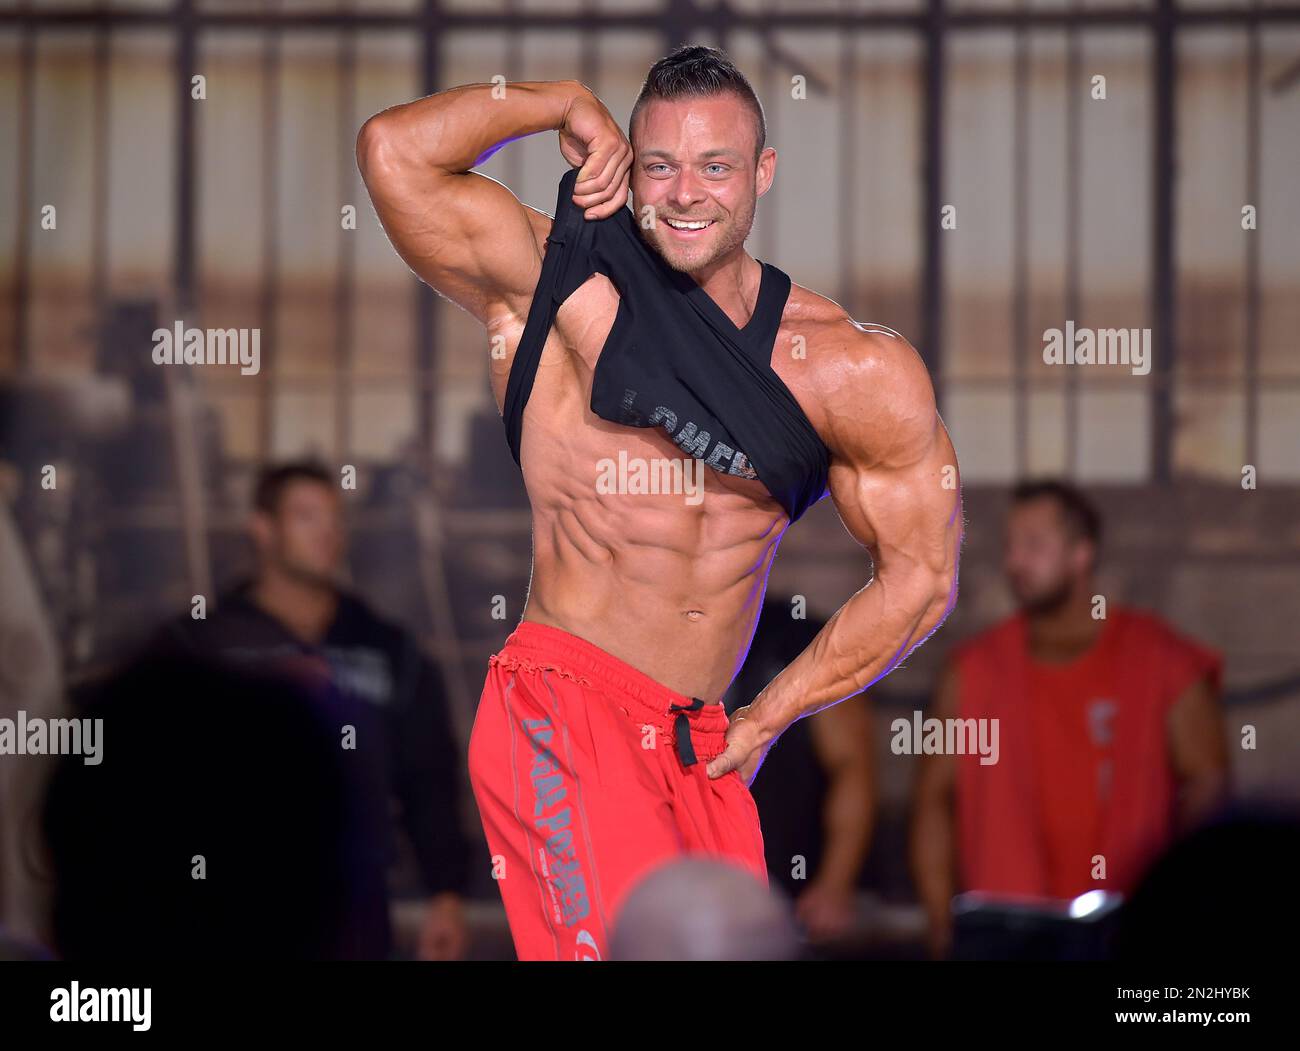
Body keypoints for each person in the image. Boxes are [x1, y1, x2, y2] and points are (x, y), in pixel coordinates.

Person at [358, 45, 961, 961]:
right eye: (661, 165)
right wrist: (556, 101)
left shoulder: (850, 369)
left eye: (715, 166)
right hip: (559, 710)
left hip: (701, 746)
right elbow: (391, 152)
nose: (686, 193)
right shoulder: (550, 279)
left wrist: (769, 713)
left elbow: (922, 577)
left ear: (762, 174)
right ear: (627, 166)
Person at [155, 461, 471, 960]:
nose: (326, 532)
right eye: (306, 517)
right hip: (224, 900)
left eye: (333, 518)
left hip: (353, 905)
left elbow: (428, 775)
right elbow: (150, 780)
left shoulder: (387, 648)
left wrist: (446, 895)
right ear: (263, 528)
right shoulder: (199, 646)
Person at [911, 480, 1227, 959]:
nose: (1014, 563)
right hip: (1005, 936)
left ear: (1082, 554)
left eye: (1034, 545)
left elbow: (1209, 784)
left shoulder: (1162, 661)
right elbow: (933, 802)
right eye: (1011, 546)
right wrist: (941, 925)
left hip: (1127, 931)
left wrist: (1177, 909)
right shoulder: (973, 671)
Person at [722, 595, 874, 943]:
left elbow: (851, 767)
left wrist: (834, 884)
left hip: (794, 894)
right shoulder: (663, 644)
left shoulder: (796, 639)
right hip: (706, 885)